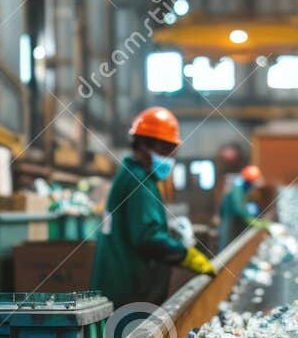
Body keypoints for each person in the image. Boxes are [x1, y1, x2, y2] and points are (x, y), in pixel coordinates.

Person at [91, 106, 216, 309]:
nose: (169, 158)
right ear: (143, 146)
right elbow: (148, 237)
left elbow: (140, 223)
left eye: (171, 151)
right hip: (129, 289)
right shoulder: (139, 181)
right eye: (164, 150)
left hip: (120, 285)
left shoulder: (131, 174)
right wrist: (186, 255)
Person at [217, 164, 264, 249]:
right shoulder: (238, 188)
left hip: (233, 219)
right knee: (227, 246)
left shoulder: (243, 187)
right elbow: (239, 209)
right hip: (229, 219)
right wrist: (253, 221)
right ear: (249, 181)